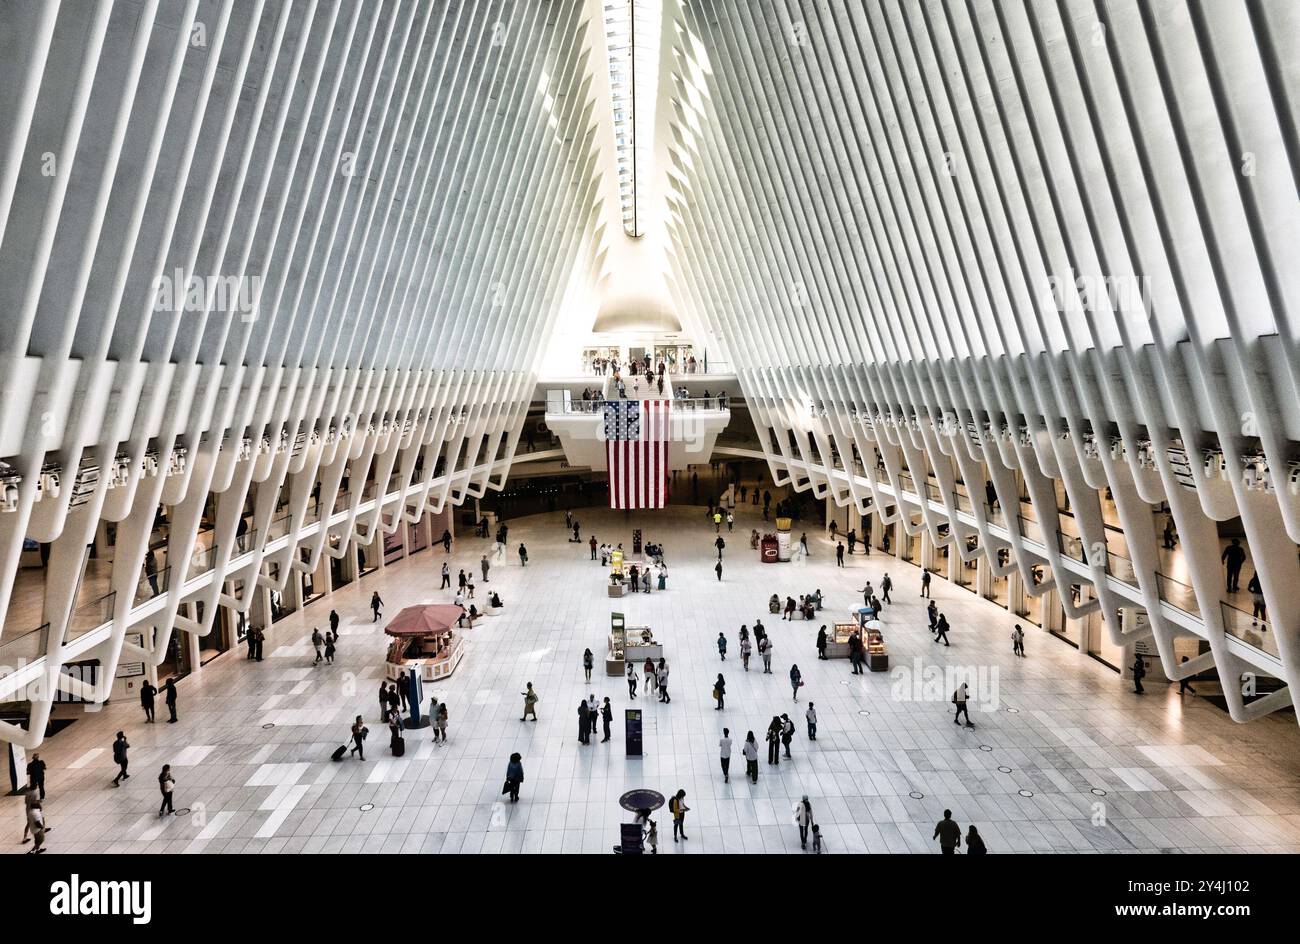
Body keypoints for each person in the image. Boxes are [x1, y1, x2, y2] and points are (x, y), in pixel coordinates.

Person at [25, 789, 46, 854]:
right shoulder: (35, 813)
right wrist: (42, 827)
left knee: (37, 840)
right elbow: (37, 822)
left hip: (33, 828)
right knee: (41, 840)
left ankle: (37, 849)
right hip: (37, 828)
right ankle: (32, 850)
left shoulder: (30, 810)